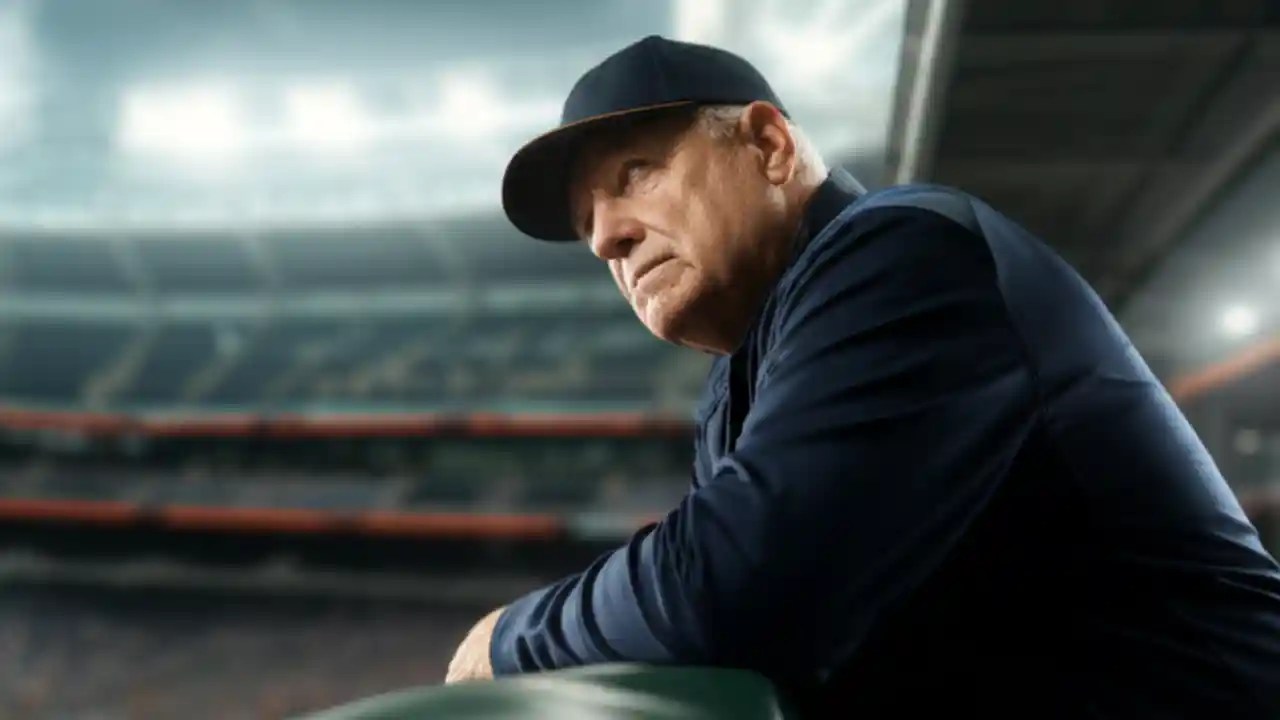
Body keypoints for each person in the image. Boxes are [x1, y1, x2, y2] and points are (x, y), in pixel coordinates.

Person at [446, 35, 1280, 716]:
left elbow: (742, 586)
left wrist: (509, 638)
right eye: (588, 222)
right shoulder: (740, 379)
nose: (605, 240)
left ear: (769, 146)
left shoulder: (902, 251)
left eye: (635, 176)